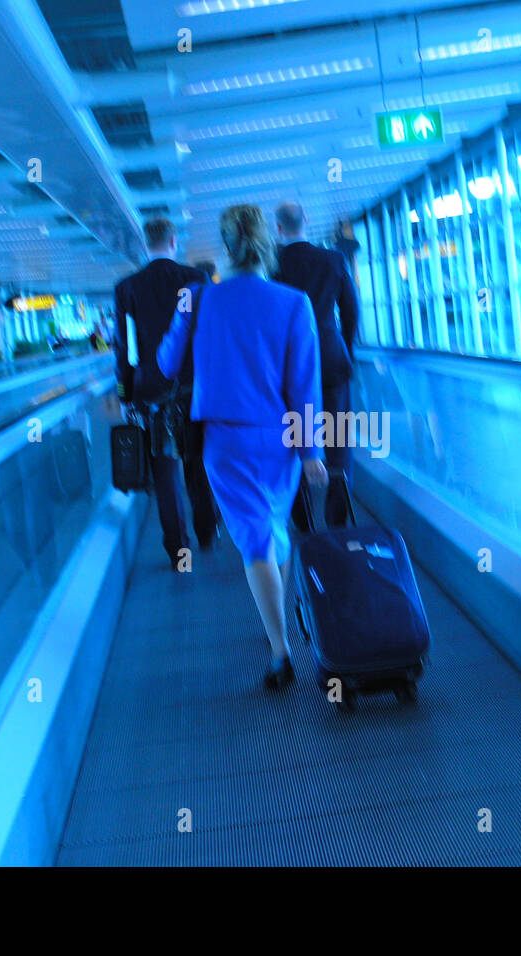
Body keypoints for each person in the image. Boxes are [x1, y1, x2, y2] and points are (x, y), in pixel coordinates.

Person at [158, 204, 327, 690]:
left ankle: (280, 651)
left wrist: (184, 319)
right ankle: (280, 622)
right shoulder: (294, 303)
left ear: (226, 248)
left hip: (226, 441)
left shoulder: (197, 298)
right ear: (266, 244)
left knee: (254, 536)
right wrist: (313, 451)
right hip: (281, 442)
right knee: (272, 528)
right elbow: (305, 385)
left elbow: (167, 364)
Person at [115, 217, 217, 567]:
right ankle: (206, 532)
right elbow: (207, 336)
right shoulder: (196, 279)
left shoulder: (127, 288)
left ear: (146, 244)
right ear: (174, 241)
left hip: (151, 393)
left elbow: (124, 348)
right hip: (193, 387)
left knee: (165, 473)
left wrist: (125, 392)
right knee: (197, 462)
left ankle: (178, 550)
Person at [273, 201, 360, 530]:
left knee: (295, 439)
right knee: (339, 443)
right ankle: (337, 522)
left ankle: (304, 522)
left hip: (289, 363)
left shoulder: (274, 265)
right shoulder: (333, 260)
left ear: (278, 229)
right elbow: (350, 312)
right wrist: (345, 348)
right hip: (331, 360)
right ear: (306, 220)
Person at [332, 218, 361, 288]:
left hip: (345, 244)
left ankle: (340, 225)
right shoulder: (348, 256)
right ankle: (339, 225)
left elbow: (356, 245)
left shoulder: (350, 251)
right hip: (344, 245)